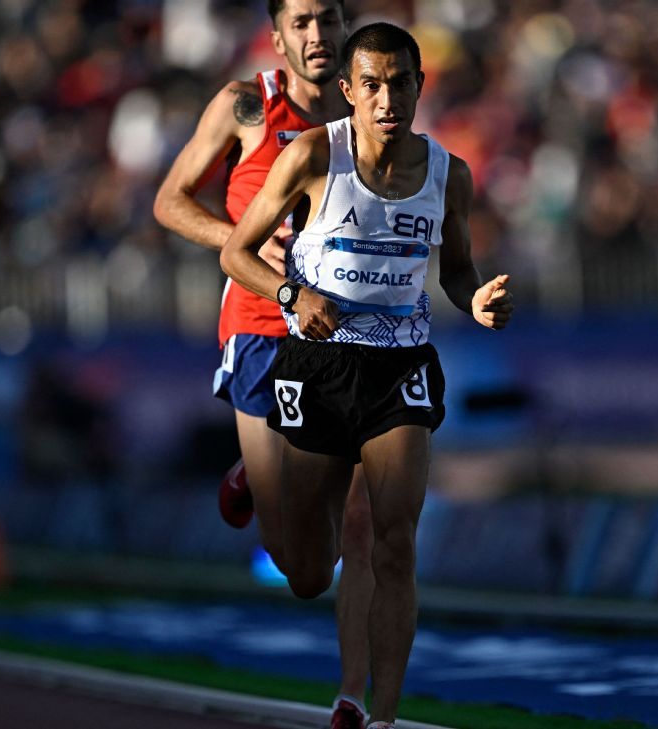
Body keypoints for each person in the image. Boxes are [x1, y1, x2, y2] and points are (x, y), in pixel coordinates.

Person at [219, 22, 513, 727]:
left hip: (399, 367)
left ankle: (377, 715)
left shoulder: (450, 174)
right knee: (308, 570)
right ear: (348, 91)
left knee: (391, 540)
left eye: (401, 83)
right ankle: (256, 482)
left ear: (420, 86)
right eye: (372, 85)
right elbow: (236, 252)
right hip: (318, 364)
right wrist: (292, 294)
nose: (387, 100)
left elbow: (458, 268)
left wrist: (473, 299)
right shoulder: (315, 156)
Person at [151, 3, 374, 726]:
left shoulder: (370, 109)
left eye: (328, 20)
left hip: (342, 333)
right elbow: (168, 201)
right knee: (301, 570)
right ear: (277, 37)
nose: (317, 37)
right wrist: (244, 239)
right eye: (301, 23)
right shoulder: (246, 107)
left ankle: (356, 699)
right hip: (257, 330)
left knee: (361, 518)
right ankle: (255, 475)